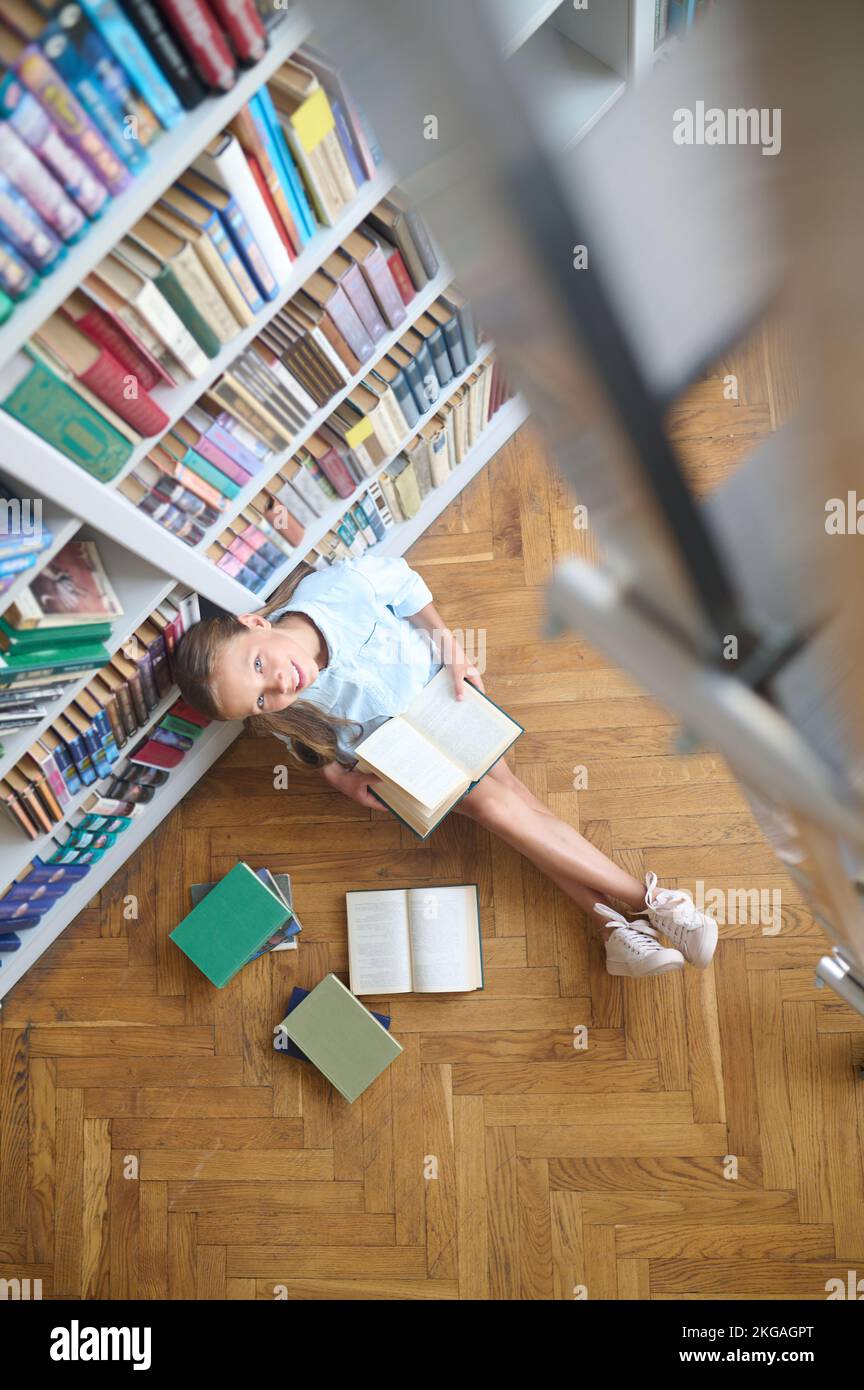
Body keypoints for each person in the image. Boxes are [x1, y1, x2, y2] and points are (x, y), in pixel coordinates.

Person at [174, 554, 717, 978]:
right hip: (404, 757)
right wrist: (339, 778)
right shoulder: (283, 712)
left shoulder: (336, 593)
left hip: (446, 698)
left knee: (509, 806)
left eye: (260, 664)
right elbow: (301, 744)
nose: (279, 686)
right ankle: (648, 908)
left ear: (254, 623)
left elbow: (406, 586)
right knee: (501, 803)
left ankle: (620, 926)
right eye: (261, 699)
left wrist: (452, 647)